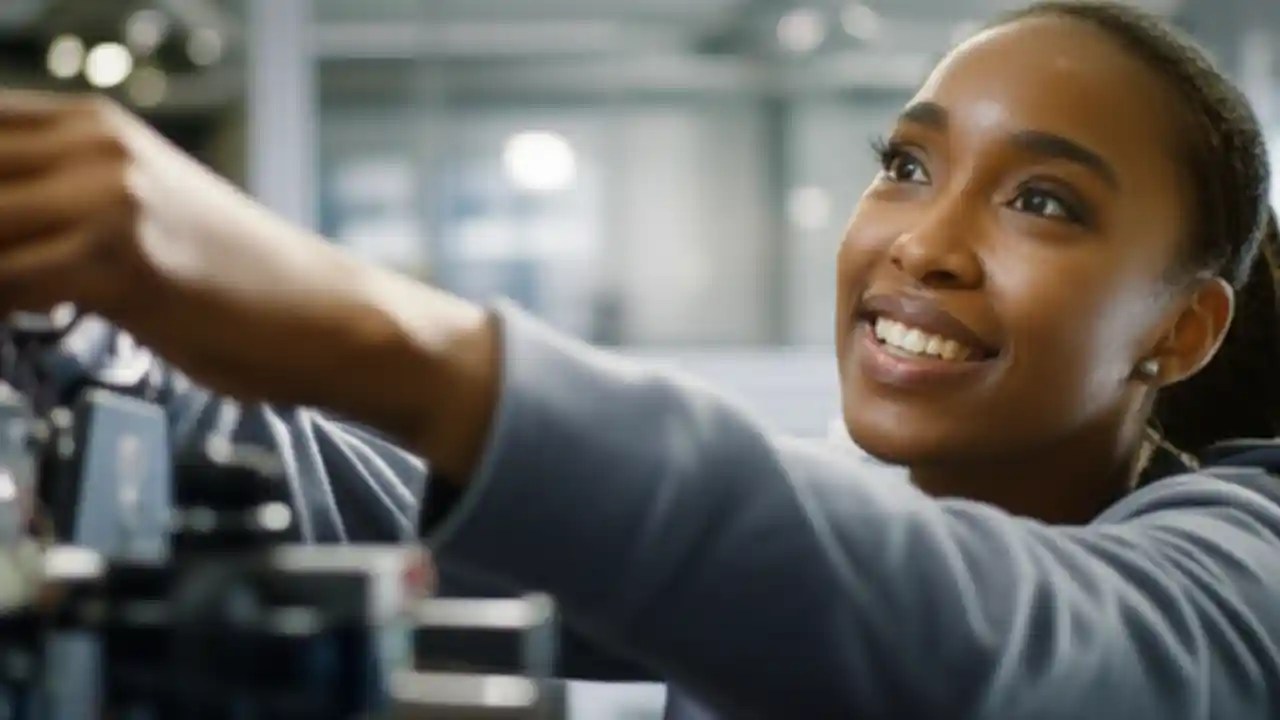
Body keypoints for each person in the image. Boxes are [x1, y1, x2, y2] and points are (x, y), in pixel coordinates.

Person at [3, 0, 1280, 716]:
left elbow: (973, 643)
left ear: (1181, 329)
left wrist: (352, 319)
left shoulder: (1243, 574)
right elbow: (394, 502)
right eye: (904, 165)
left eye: (1041, 202)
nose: (923, 245)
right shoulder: (840, 528)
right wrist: (90, 339)